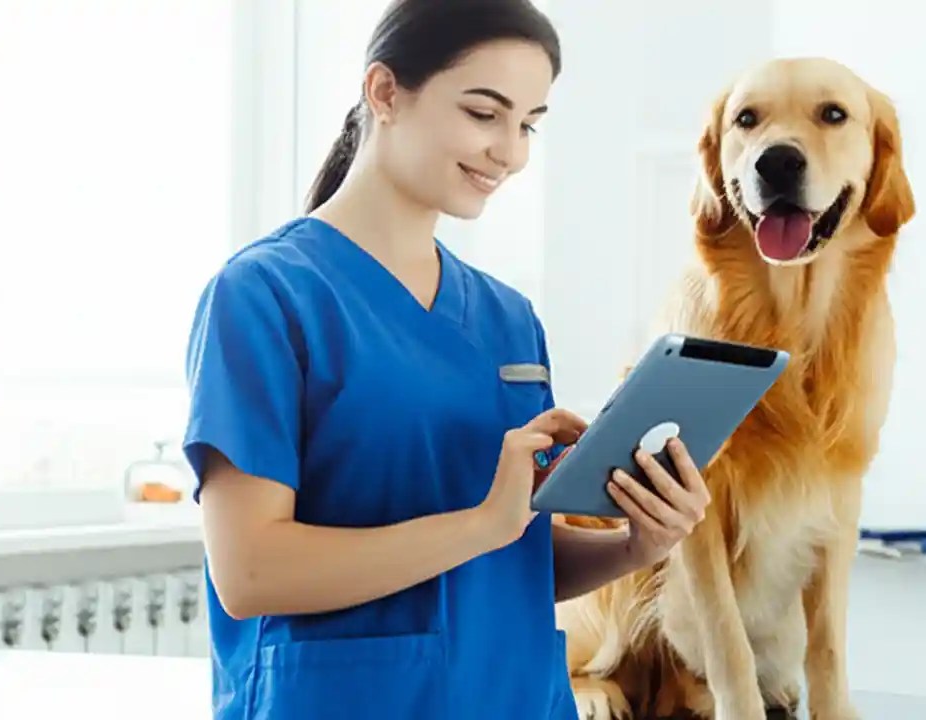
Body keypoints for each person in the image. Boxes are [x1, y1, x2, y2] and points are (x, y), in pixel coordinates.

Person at [181, 1, 712, 718]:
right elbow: (249, 571)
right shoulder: (264, 295)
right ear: (385, 92)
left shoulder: (507, 318)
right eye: (483, 113)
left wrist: (635, 546)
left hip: (518, 698)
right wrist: (479, 525)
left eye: (527, 124)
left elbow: (508, 559)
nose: (511, 151)